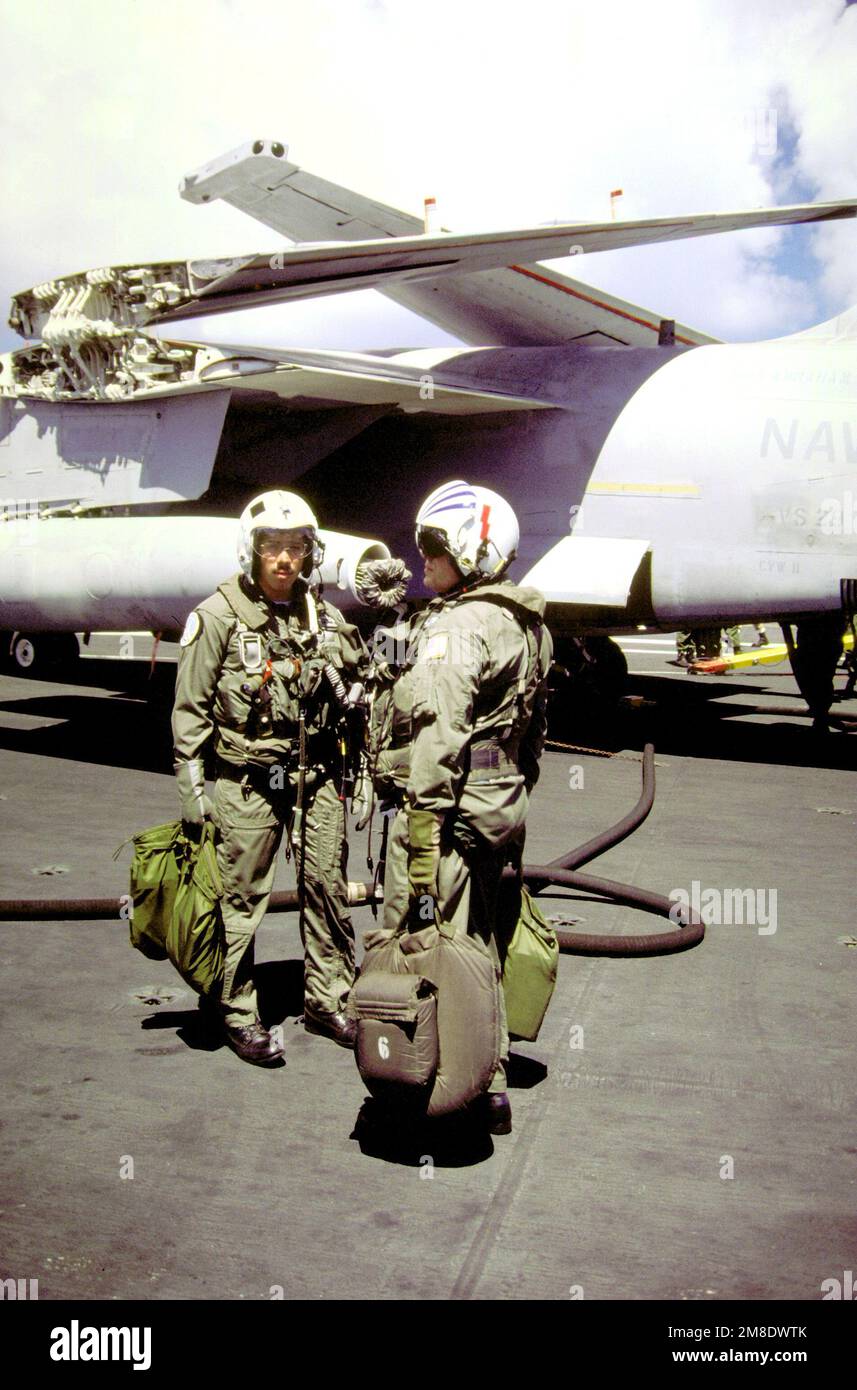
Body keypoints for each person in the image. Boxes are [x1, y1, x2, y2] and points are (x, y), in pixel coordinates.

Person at [371, 480, 553, 1133]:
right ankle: (492, 1077)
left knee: (425, 945)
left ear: (472, 551)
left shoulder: (457, 626)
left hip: (445, 816)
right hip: (502, 807)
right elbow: (531, 734)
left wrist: (420, 835)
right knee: (486, 943)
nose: (420, 558)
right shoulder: (526, 622)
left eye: (431, 545)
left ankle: (433, 1087)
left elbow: (437, 736)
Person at [171, 490, 364, 1065]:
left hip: (317, 776)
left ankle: (329, 999)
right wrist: (193, 792)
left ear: (311, 553)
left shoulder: (326, 619)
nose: (285, 559)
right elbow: (190, 710)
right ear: (251, 551)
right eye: (273, 548)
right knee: (241, 897)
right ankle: (235, 1009)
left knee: (327, 887)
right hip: (247, 780)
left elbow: (355, 692)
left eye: (296, 548)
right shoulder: (217, 617)